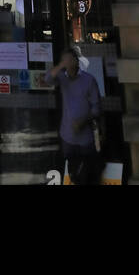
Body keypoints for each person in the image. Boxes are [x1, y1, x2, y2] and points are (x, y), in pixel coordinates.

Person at [50, 47, 102, 186]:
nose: (67, 63)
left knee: (88, 172)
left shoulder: (88, 80)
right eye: (64, 60)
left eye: (69, 60)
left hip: (85, 138)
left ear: (76, 61)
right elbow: (47, 78)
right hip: (67, 136)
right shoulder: (62, 78)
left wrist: (83, 121)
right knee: (72, 173)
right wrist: (61, 65)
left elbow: (97, 108)